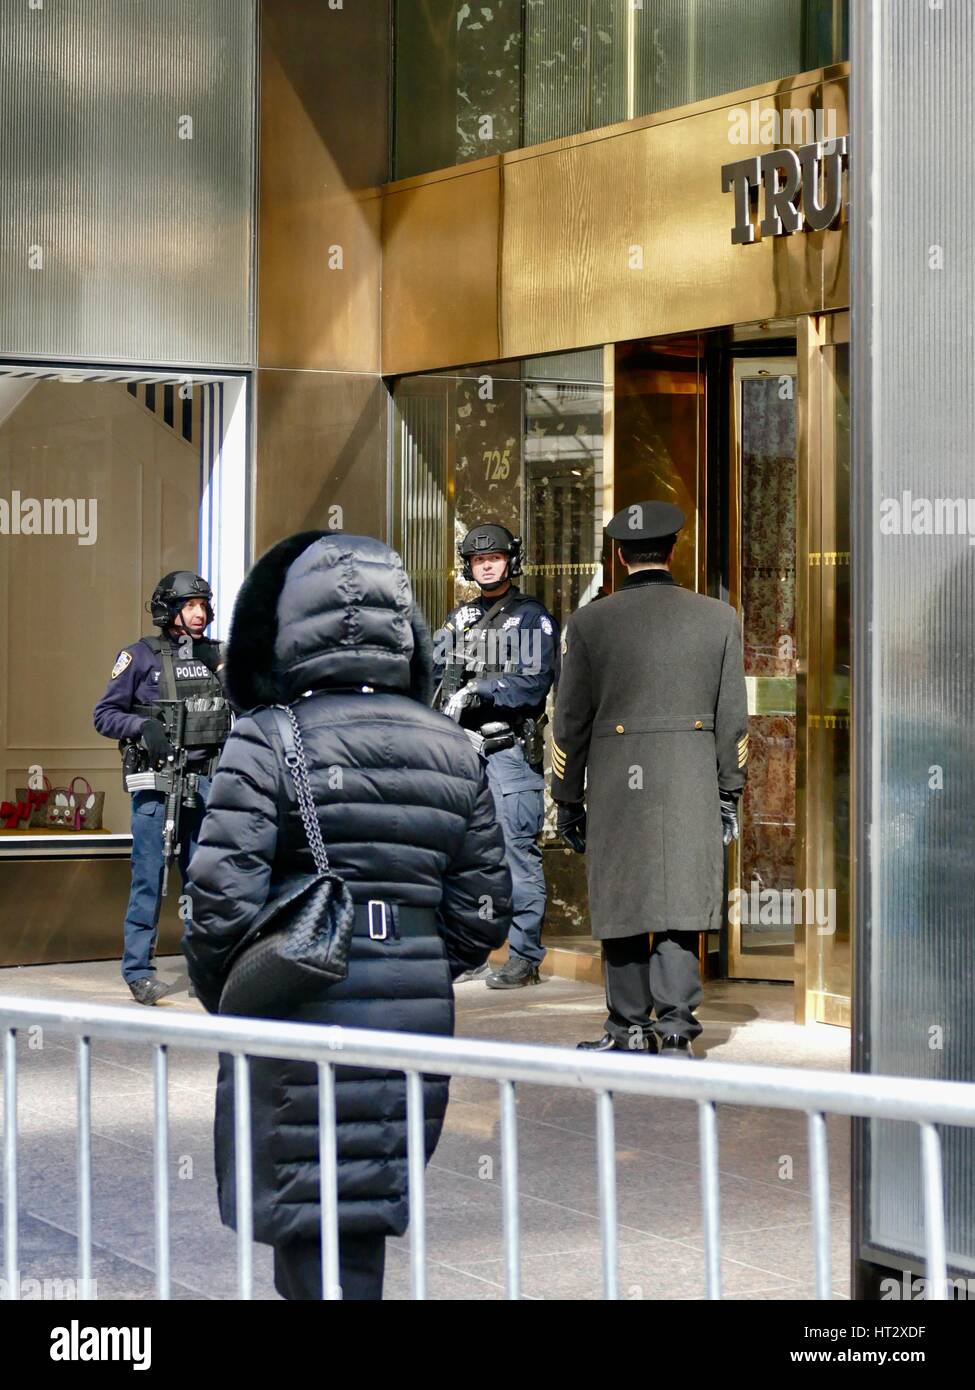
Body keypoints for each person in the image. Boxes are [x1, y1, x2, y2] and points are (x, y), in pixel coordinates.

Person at [181, 531, 511, 1301]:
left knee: (308, 1220)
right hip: (411, 1018)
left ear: (289, 625)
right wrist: (415, 956)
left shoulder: (264, 740)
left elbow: (217, 904)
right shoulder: (455, 749)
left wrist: (235, 992)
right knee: (362, 1206)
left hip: (295, 1011)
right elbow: (484, 908)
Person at [551, 501, 748, 1058]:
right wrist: (729, 790)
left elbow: (571, 722)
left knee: (624, 900)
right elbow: (734, 718)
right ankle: (678, 1029)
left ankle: (630, 1030)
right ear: (673, 548)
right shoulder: (718, 618)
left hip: (616, 780)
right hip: (690, 778)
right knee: (682, 902)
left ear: (618, 554)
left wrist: (566, 799)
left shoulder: (589, 622)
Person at [93, 572, 230, 1006]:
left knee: (204, 882)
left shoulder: (218, 657)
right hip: (158, 787)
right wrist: (142, 725)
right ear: (169, 610)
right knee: (149, 879)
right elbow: (104, 715)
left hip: (206, 784)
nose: (200, 614)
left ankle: (206, 969)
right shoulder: (139, 658)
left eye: (204, 606)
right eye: (191, 605)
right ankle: (138, 971)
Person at [433, 522, 558, 989]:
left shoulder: (530, 617)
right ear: (469, 566)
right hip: (464, 756)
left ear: (510, 561)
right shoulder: (458, 620)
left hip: (506, 752)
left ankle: (525, 956)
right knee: (466, 856)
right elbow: (433, 675)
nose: (486, 565)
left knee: (515, 853)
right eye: (478, 560)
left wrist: (479, 689)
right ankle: (473, 951)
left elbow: (534, 683)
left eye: (495, 558)